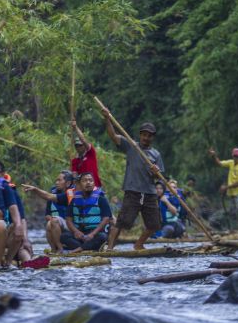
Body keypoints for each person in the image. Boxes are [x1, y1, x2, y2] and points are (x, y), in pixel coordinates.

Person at [101, 107, 164, 250]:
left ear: (152, 137)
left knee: (154, 224)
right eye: (144, 135)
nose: (146, 138)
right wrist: (107, 119)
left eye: (149, 135)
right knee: (122, 222)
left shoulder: (156, 154)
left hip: (149, 193)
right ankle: (110, 248)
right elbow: (113, 136)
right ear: (140, 135)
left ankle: (138, 245)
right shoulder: (131, 145)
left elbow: (158, 177)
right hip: (132, 191)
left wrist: (156, 171)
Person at [23, 171, 76, 253]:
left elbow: (47, 196)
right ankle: (54, 249)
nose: (56, 183)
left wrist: (35, 189)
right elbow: (47, 214)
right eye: (56, 180)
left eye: (59, 180)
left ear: (68, 183)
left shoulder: (72, 193)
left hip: (71, 224)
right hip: (56, 224)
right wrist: (52, 221)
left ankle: (60, 249)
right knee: (49, 224)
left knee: (53, 221)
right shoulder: (53, 192)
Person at [61, 172, 112, 252]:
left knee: (102, 237)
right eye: (85, 181)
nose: (88, 182)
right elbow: (68, 219)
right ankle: (87, 247)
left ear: (94, 183)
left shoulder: (101, 198)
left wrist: (92, 234)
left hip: (95, 233)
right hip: (80, 234)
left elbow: (106, 218)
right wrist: (76, 232)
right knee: (64, 236)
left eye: (91, 180)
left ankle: (79, 249)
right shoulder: (74, 199)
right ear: (80, 184)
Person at [208, 147, 238, 229]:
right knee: (234, 213)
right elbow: (219, 163)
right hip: (233, 194)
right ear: (233, 156)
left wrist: (226, 187)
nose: (236, 158)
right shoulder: (231, 163)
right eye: (235, 156)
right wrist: (214, 156)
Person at [70, 119, 102, 188]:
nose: (79, 147)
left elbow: (83, 140)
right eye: (77, 146)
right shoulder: (75, 160)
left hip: (95, 186)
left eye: (80, 145)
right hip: (84, 189)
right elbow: (75, 175)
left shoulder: (90, 153)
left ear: (84, 145)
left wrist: (75, 127)